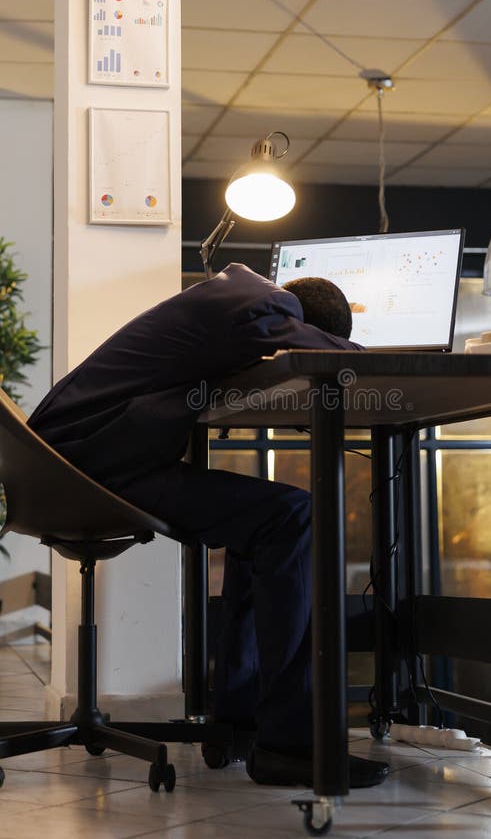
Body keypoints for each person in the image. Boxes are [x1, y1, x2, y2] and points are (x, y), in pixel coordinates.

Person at [28, 262, 389, 789]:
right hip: (86, 466)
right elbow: (324, 356)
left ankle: (239, 724)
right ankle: (289, 743)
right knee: (293, 515)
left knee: (264, 524)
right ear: (308, 319)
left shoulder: (227, 300)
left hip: (78, 461)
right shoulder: (264, 303)